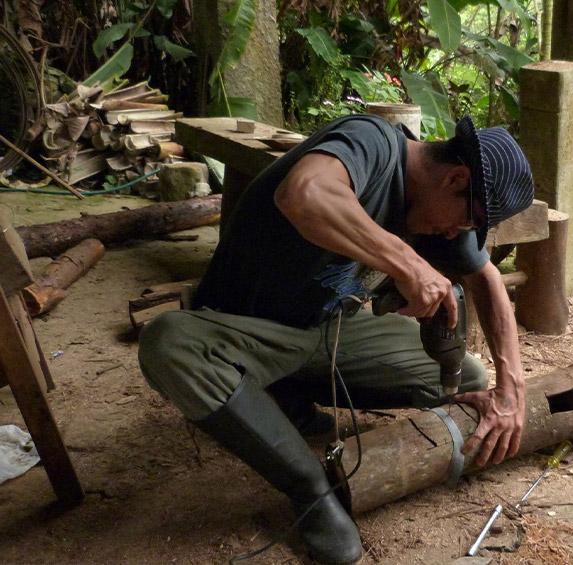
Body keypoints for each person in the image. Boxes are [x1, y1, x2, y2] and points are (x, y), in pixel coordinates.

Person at [138, 113, 534, 564]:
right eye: (464, 223)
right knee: (168, 343)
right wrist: (408, 262)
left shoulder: (436, 202)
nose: (453, 235)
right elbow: (304, 193)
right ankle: (310, 490)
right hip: (248, 334)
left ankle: (280, 394)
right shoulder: (372, 143)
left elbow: (486, 279)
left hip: (324, 331)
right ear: (456, 178)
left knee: (468, 374)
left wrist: (512, 385)